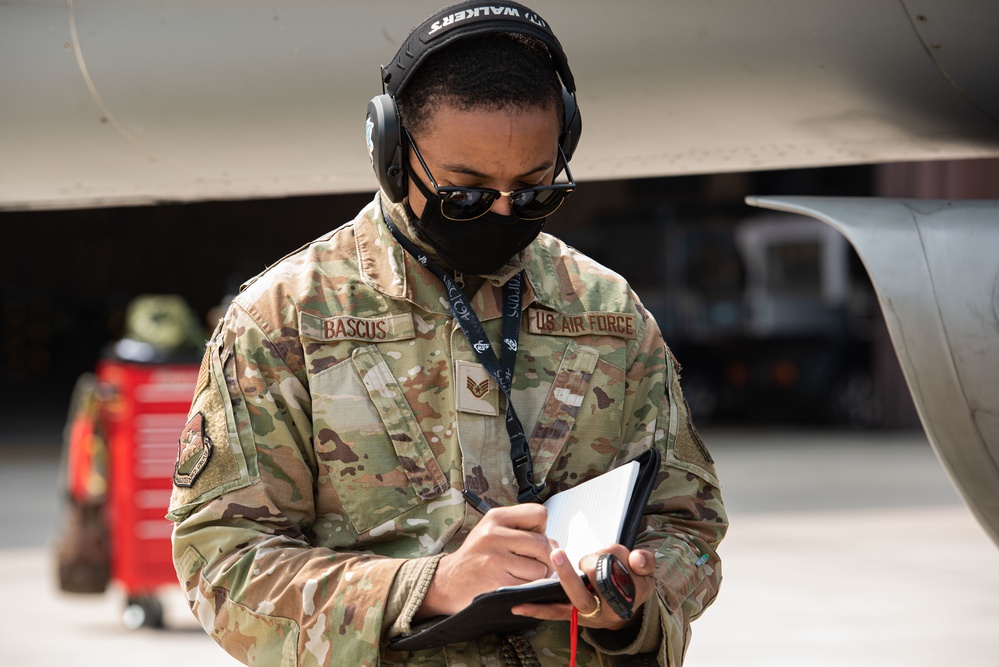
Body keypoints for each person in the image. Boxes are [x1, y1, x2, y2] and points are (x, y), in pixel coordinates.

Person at [167, 2, 727, 665]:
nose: (499, 212)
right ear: (393, 155)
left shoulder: (607, 311)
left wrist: (631, 598)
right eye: (463, 195)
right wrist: (428, 585)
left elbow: (685, 522)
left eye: (531, 193)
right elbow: (222, 563)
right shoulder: (285, 318)